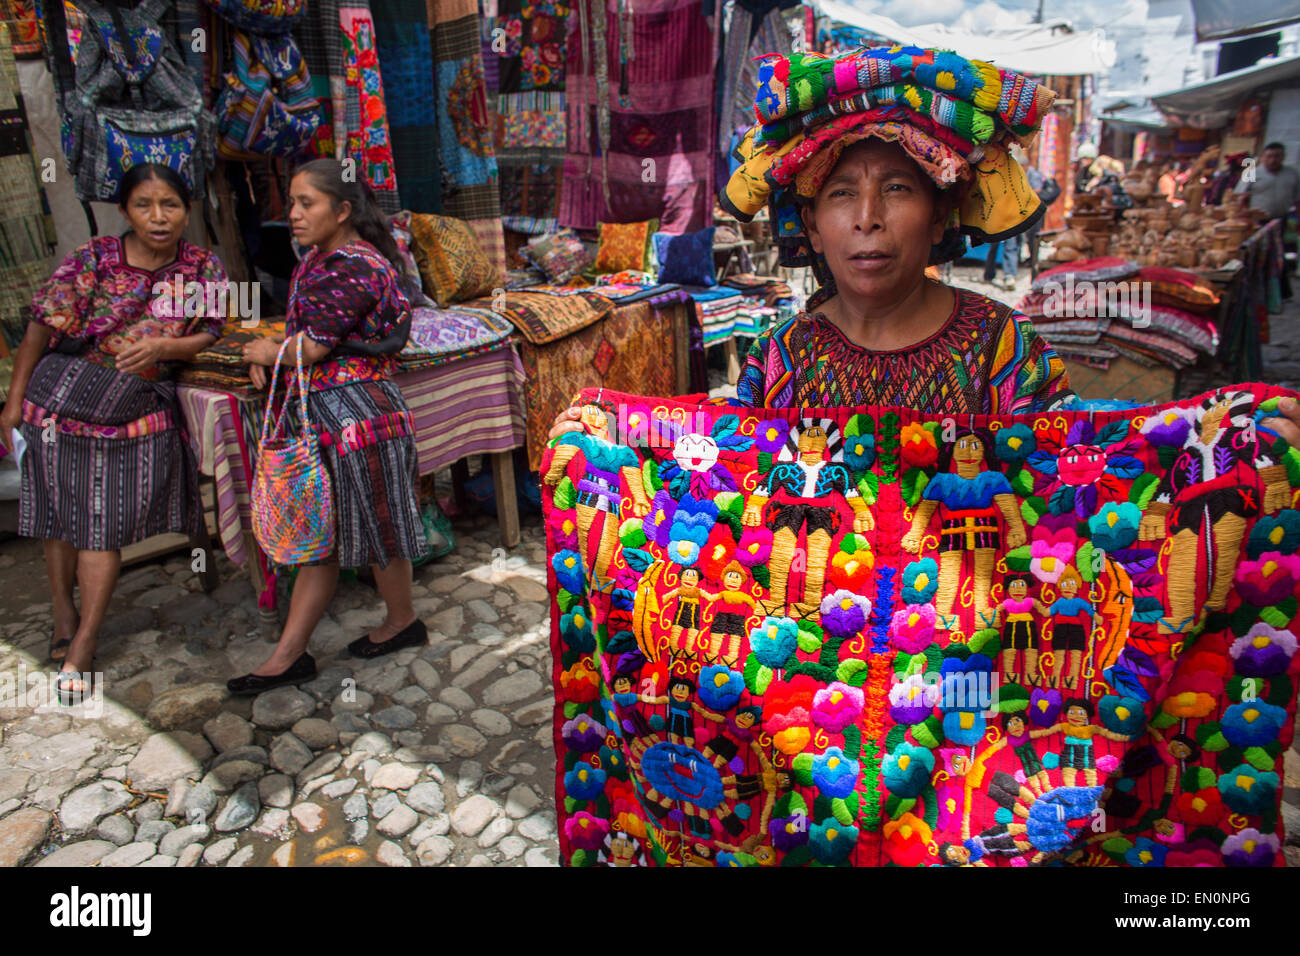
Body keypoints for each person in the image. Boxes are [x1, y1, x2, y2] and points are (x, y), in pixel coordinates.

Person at [0, 163, 226, 703]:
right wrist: (13, 402)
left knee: (96, 528)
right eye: (144, 205)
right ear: (124, 211)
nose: (158, 216)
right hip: (60, 399)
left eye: (170, 204)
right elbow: (42, 323)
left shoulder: (202, 268)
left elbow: (215, 330)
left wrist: (166, 348)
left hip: (132, 407)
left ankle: (83, 643)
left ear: (187, 210)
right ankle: (62, 613)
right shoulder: (95, 259)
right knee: (61, 515)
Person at [228, 159, 429, 694]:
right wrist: (275, 354)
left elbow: (313, 345)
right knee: (324, 534)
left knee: (375, 525)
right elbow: (310, 337)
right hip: (338, 416)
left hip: (358, 416)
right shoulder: (325, 259)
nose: (292, 214)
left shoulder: (351, 266)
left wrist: (271, 350)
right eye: (290, 203)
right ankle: (291, 654)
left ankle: (399, 622)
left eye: (305, 203)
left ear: (342, 210)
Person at [1234, 141, 1300, 222]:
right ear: (1262, 158)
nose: (1273, 160)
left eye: (1277, 156)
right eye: (1269, 156)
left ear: (1283, 157)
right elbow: (1238, 196)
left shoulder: (1292, 174)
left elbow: (1297, 198)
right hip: (1258, 220)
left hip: (1283, 219)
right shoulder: (1251, 174)